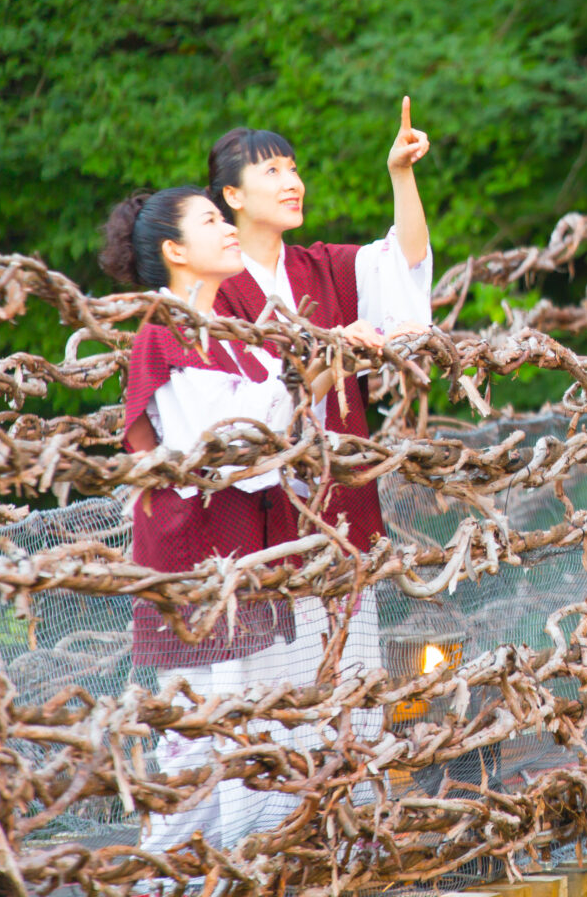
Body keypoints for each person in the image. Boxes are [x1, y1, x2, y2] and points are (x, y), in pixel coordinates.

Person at [206, 99, 434, 761]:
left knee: (354, 686)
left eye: (294, 168)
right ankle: (273, 841)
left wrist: (401, 176)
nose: (291, 181)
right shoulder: (213, 289)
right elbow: (231, 389)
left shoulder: (317, 266)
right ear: (232, 195)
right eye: (272, 170)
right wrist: (328, 342)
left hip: (338, 498)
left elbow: (404, 266)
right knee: (269, 703)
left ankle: (353, 832)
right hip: (258, 512)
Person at [102, 186, 312, 854]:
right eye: (212, 222)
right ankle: (167, 873)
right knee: (201, 734)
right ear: (174, 250)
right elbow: (229, 447)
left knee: (258, 727)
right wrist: (299, 377)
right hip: (197, 560)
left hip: (244, 548)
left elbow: (269, 434)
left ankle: (242, 864)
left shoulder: (233, 333)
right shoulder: (164, 335)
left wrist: (288, 386)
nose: (229, 231)